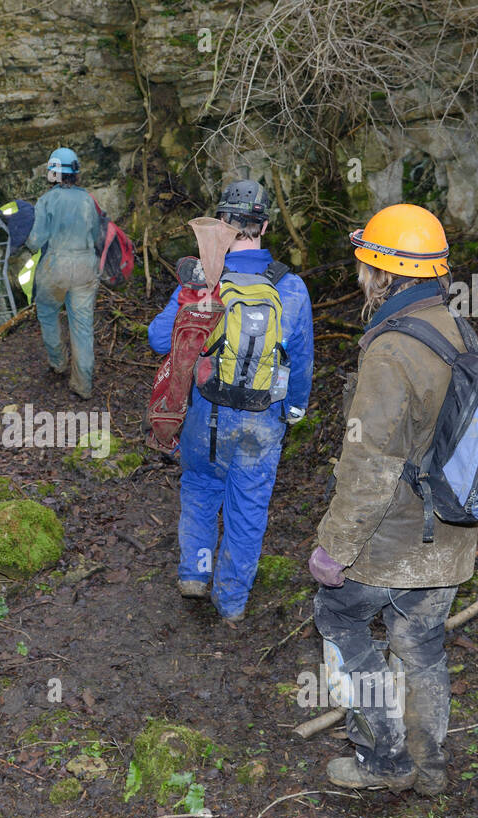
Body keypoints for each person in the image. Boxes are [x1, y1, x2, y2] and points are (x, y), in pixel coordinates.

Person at [309, 203, 478, 796]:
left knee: (339, 619)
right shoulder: (457, 329)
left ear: (383, 273)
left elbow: (370, 464)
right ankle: (430, 766)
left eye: (365, 265)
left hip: (398, 536)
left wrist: (334, 547)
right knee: (420, 640)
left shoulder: (391, 350)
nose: (360, 276)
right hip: (454, 533)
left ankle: (383, 759)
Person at [148, 179, 314, 624]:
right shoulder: (291, 287)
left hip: (206, 414)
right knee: (249, 508)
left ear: (221, 223)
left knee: (201, 488)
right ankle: (232, 603)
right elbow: (300, 363)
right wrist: (294, 410)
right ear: (263, 226)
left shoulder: (204, 280)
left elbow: (158, 338)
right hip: (262, 421)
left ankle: (195, 574)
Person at [25, 147, 103, 400]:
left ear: (56, 172)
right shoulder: (88, 200)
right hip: (85, 267)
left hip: (56, 267)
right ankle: (83, 383)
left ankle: (59, 363)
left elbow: (35, 242)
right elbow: (97, 237)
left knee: (47, 313)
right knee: (82, 325)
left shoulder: (47, 201)